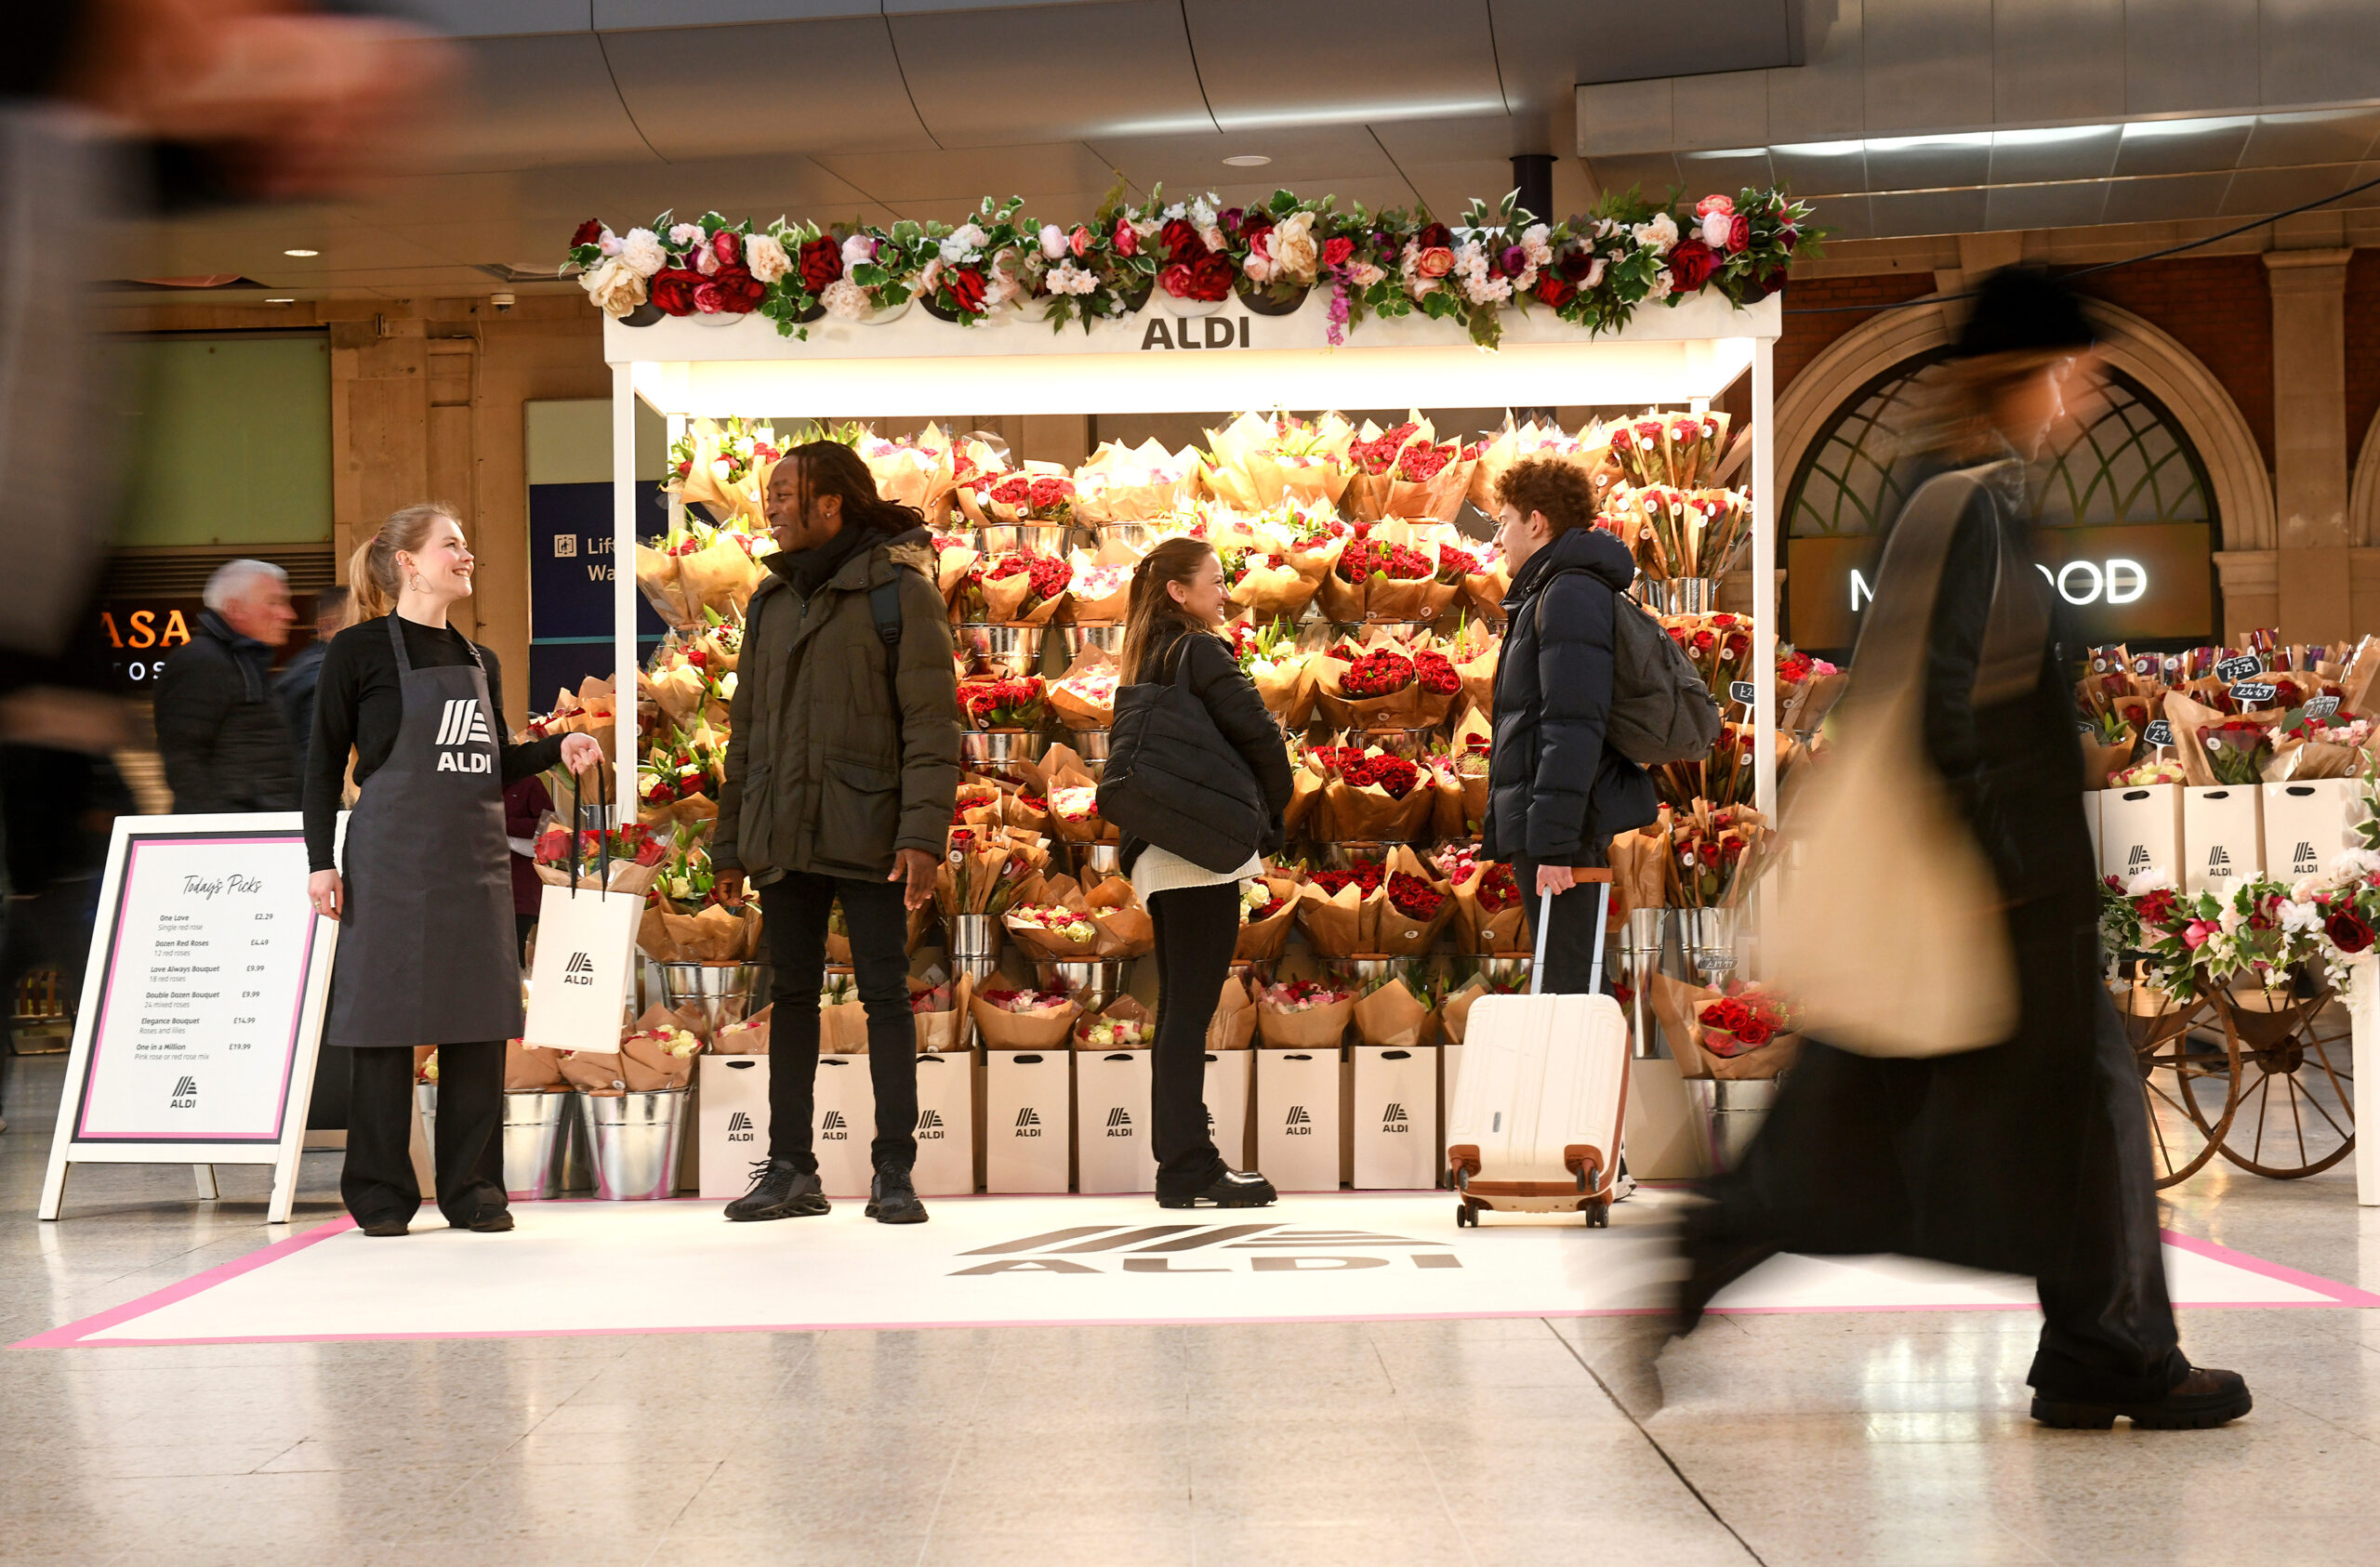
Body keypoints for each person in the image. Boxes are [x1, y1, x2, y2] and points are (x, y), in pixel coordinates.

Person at [1677, 268, 2251, 1430]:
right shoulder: (1966, 502)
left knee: (1971, 1099)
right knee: (2042, 1103)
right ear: (2028, 370)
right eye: (2077, 373)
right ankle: (2103, 1349)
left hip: (1998, 866)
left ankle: (2098, 1344)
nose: (2083, 398)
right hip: (1997, 874)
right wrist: (2005, 872)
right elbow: (1947, 702)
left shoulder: (1961, 491)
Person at [304, 505, 600, 1238]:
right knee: (382, 1026)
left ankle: (474, 1191)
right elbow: (317, 765)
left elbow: (491, 765)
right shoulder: (359, 652)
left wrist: (556, 750)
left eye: (467, 545)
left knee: (478, 1026)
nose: (467, 556)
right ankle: (379, 1194)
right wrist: (319, 862)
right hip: (390, 863)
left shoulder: (480, 660)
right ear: (407, 561)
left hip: (474, 864)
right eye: (452, 545)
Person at [711, 441, 960, 1227]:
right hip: (783, 833)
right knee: (789, 998)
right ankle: (791, 1168)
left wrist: (921, 835)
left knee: (885, 996)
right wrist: (729, 842)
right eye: (771, 494)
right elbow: (745, 732)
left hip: (871, 830)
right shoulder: (770, 602)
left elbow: (931, 722)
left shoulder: (898, 593)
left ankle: (895, 1171)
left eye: (786, 493)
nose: (772, 506)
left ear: (831, 504)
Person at [1113, 538, 1294, 1208]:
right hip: (1200, 855)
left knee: (1180, 1011)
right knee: (1189, 1013)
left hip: (1161, 852)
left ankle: (1184, 1160)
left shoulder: (1146, 659)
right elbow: (1261, 737)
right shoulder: (1200, 651)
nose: (1225, 593)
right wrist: (1271, 813)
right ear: (1178, 593)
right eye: (1214, 582)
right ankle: (1188, 1164)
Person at [1481, 458, 1659, 991]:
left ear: (1535, 522)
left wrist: (1555, 847)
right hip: (1553, 825)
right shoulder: (1552, 591)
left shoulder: (1567, 594)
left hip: (1561, 833)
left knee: (1571, 986)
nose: (1498, 540)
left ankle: (1590, 1077)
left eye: (1504, 521)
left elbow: (1572, 725)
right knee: (1570, 980)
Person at [153, 559, 301, 815]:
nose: (289, 614)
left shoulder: (245, 662)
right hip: (233, 840)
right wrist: (226, 835)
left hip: (260, 834)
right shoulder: (201, 662)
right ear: (234, 609)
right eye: (274, 602)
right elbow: (184, 763)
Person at [276, 584, 349, 781]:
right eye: (363, 621)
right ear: (328, 626)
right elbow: (320, 760)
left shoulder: (303, 669)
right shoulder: (322, 679)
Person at [504, 771, 555, 963]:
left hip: (520, 893)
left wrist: (502, 824)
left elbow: (548, 824)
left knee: (512, 958)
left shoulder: (529, 783)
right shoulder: (469, 784)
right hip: (476, 894)